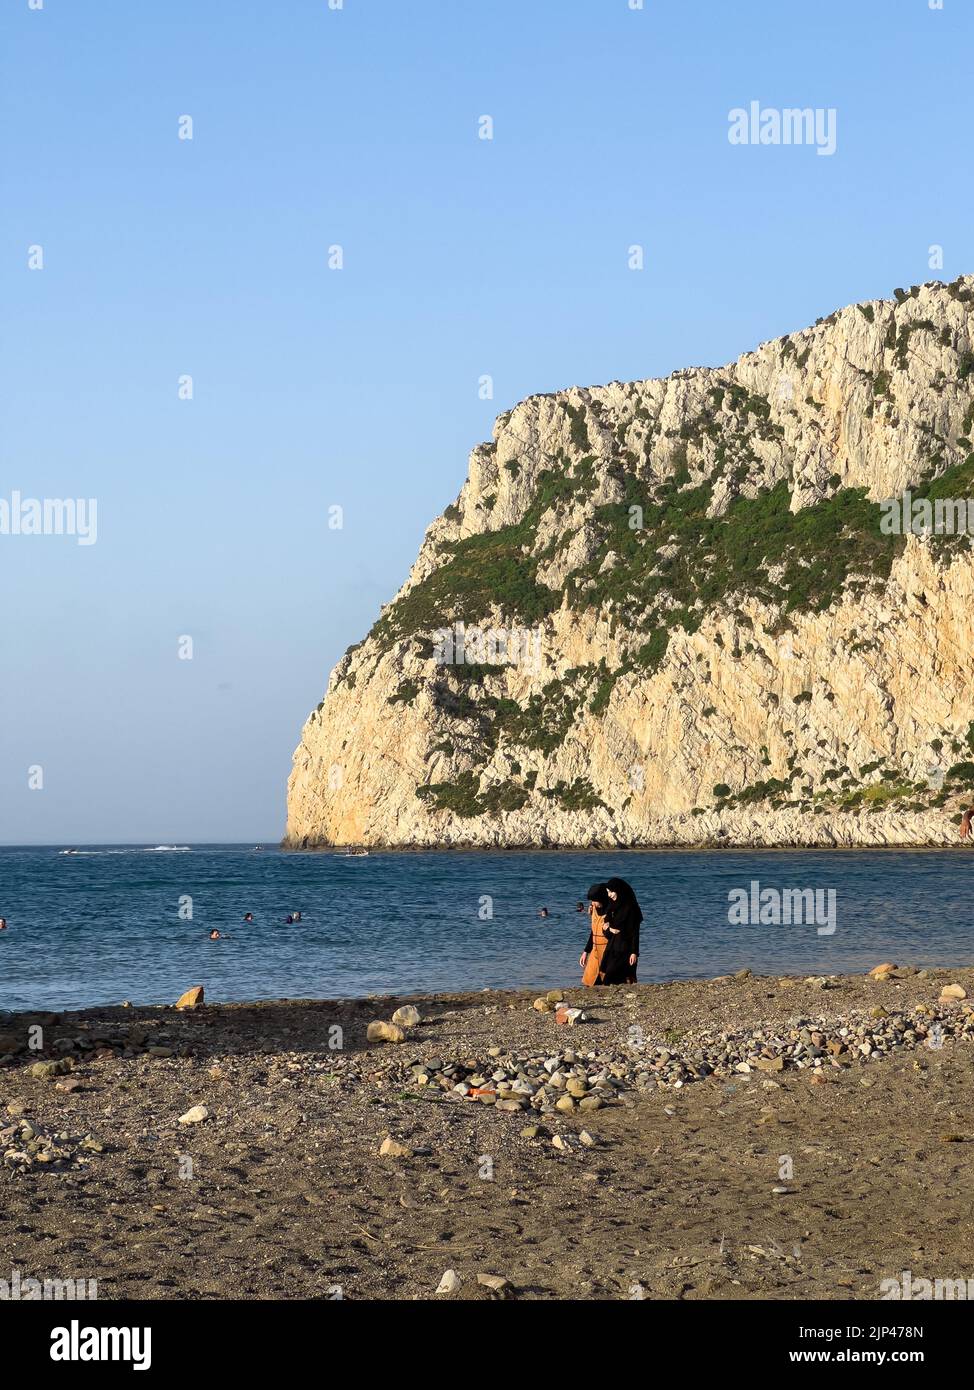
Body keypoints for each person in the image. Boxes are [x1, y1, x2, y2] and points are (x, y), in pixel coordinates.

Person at [605, 877, 642, 983]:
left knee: (620, 976)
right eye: (608, 892)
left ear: (618, 891)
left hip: (626, 948)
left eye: (611, 892)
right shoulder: (611, 906)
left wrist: (634, 952)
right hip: (612, 947)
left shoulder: (630, 908)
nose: (609, 895)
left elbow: (635, 932)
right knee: (610, 976)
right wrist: (609, 930)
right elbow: (606, 929)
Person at [580, 884, 614, 986]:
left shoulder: (612, 911)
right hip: (594, 950)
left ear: (602, 898)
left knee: (609, 982)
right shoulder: (593, 909)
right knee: (589, 981)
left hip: (608, 950)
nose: (593, 903)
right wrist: (586, 951)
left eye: (595, 900)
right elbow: (593, 932)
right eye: (591, 901)